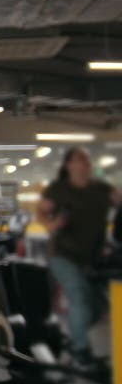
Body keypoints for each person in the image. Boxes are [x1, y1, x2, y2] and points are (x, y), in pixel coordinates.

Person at [36, 147, 122, 367]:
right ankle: (80, 350)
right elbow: (42, 211)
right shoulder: (59, 189)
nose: (85, 162)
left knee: (99, 307)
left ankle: (75, 334)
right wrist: (50, 224)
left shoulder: (101, 189)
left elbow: (119, 200)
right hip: (63, 255)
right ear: (68, 165)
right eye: (79, 159)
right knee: (80, 300)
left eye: (86, 158)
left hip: (92, 258)